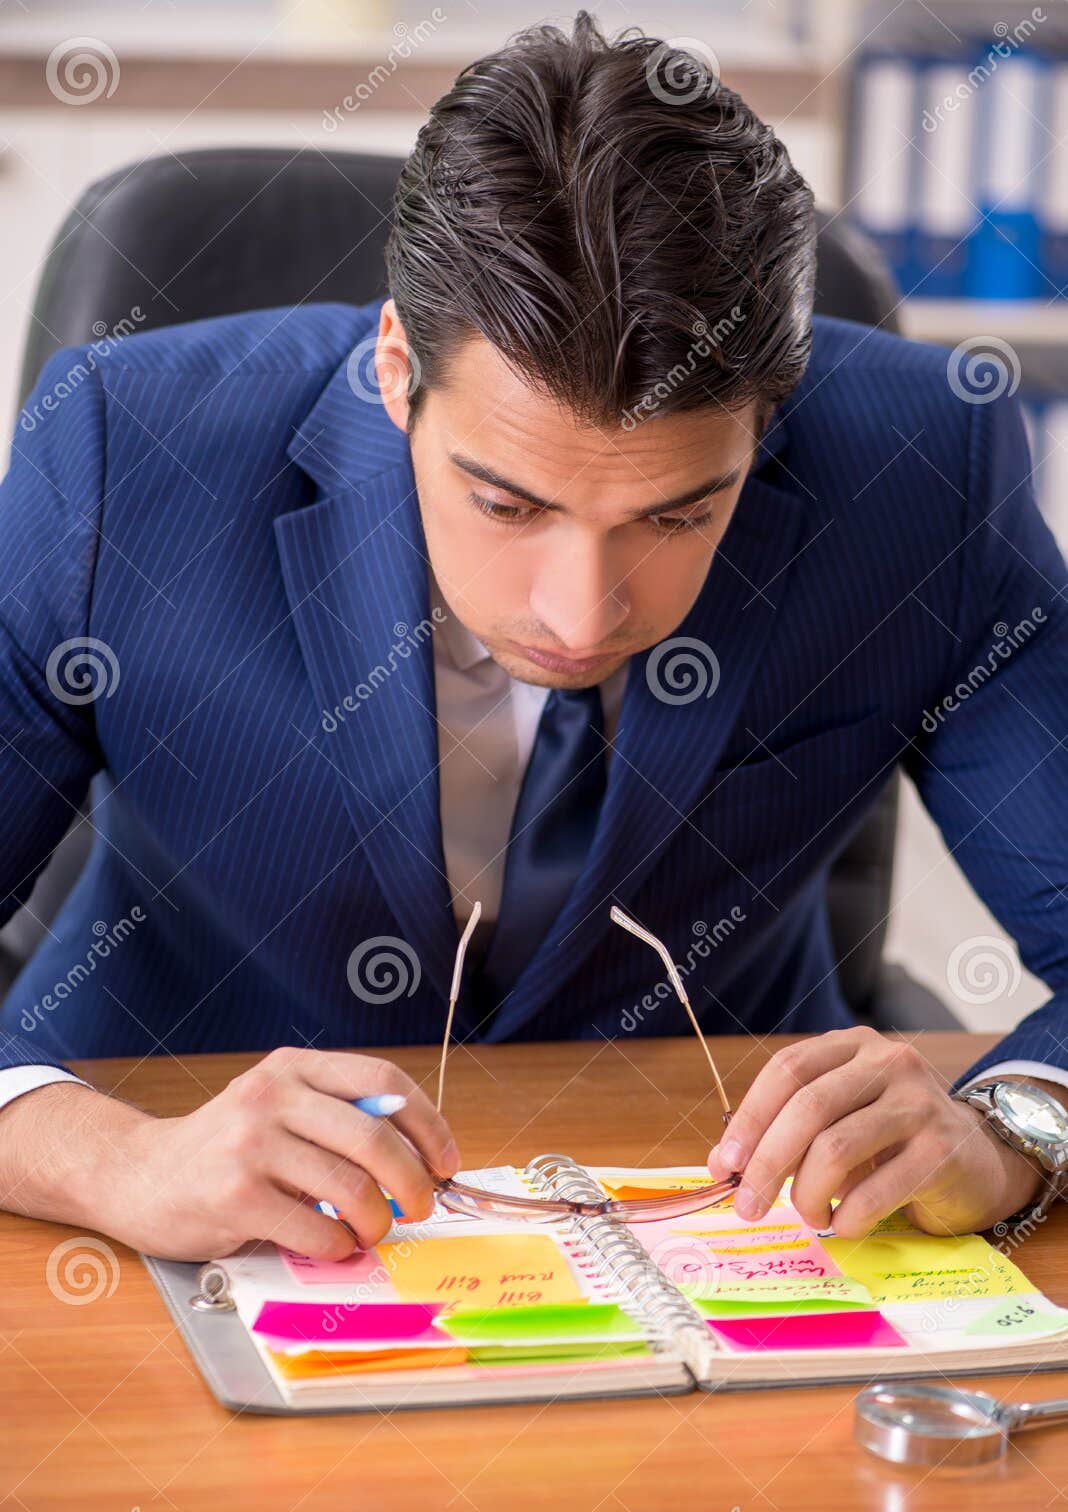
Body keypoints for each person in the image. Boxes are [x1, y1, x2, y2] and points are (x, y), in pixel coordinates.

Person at [2, 14, 1066, 1263]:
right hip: (177, 1224)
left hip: (723, 1236)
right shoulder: (126, 454)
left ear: (767, 420)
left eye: (678, 512)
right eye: (508, 504)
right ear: (396, 367)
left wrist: (1015, 1129)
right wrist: (113, 1153)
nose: (580, 614)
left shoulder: (923, 470)